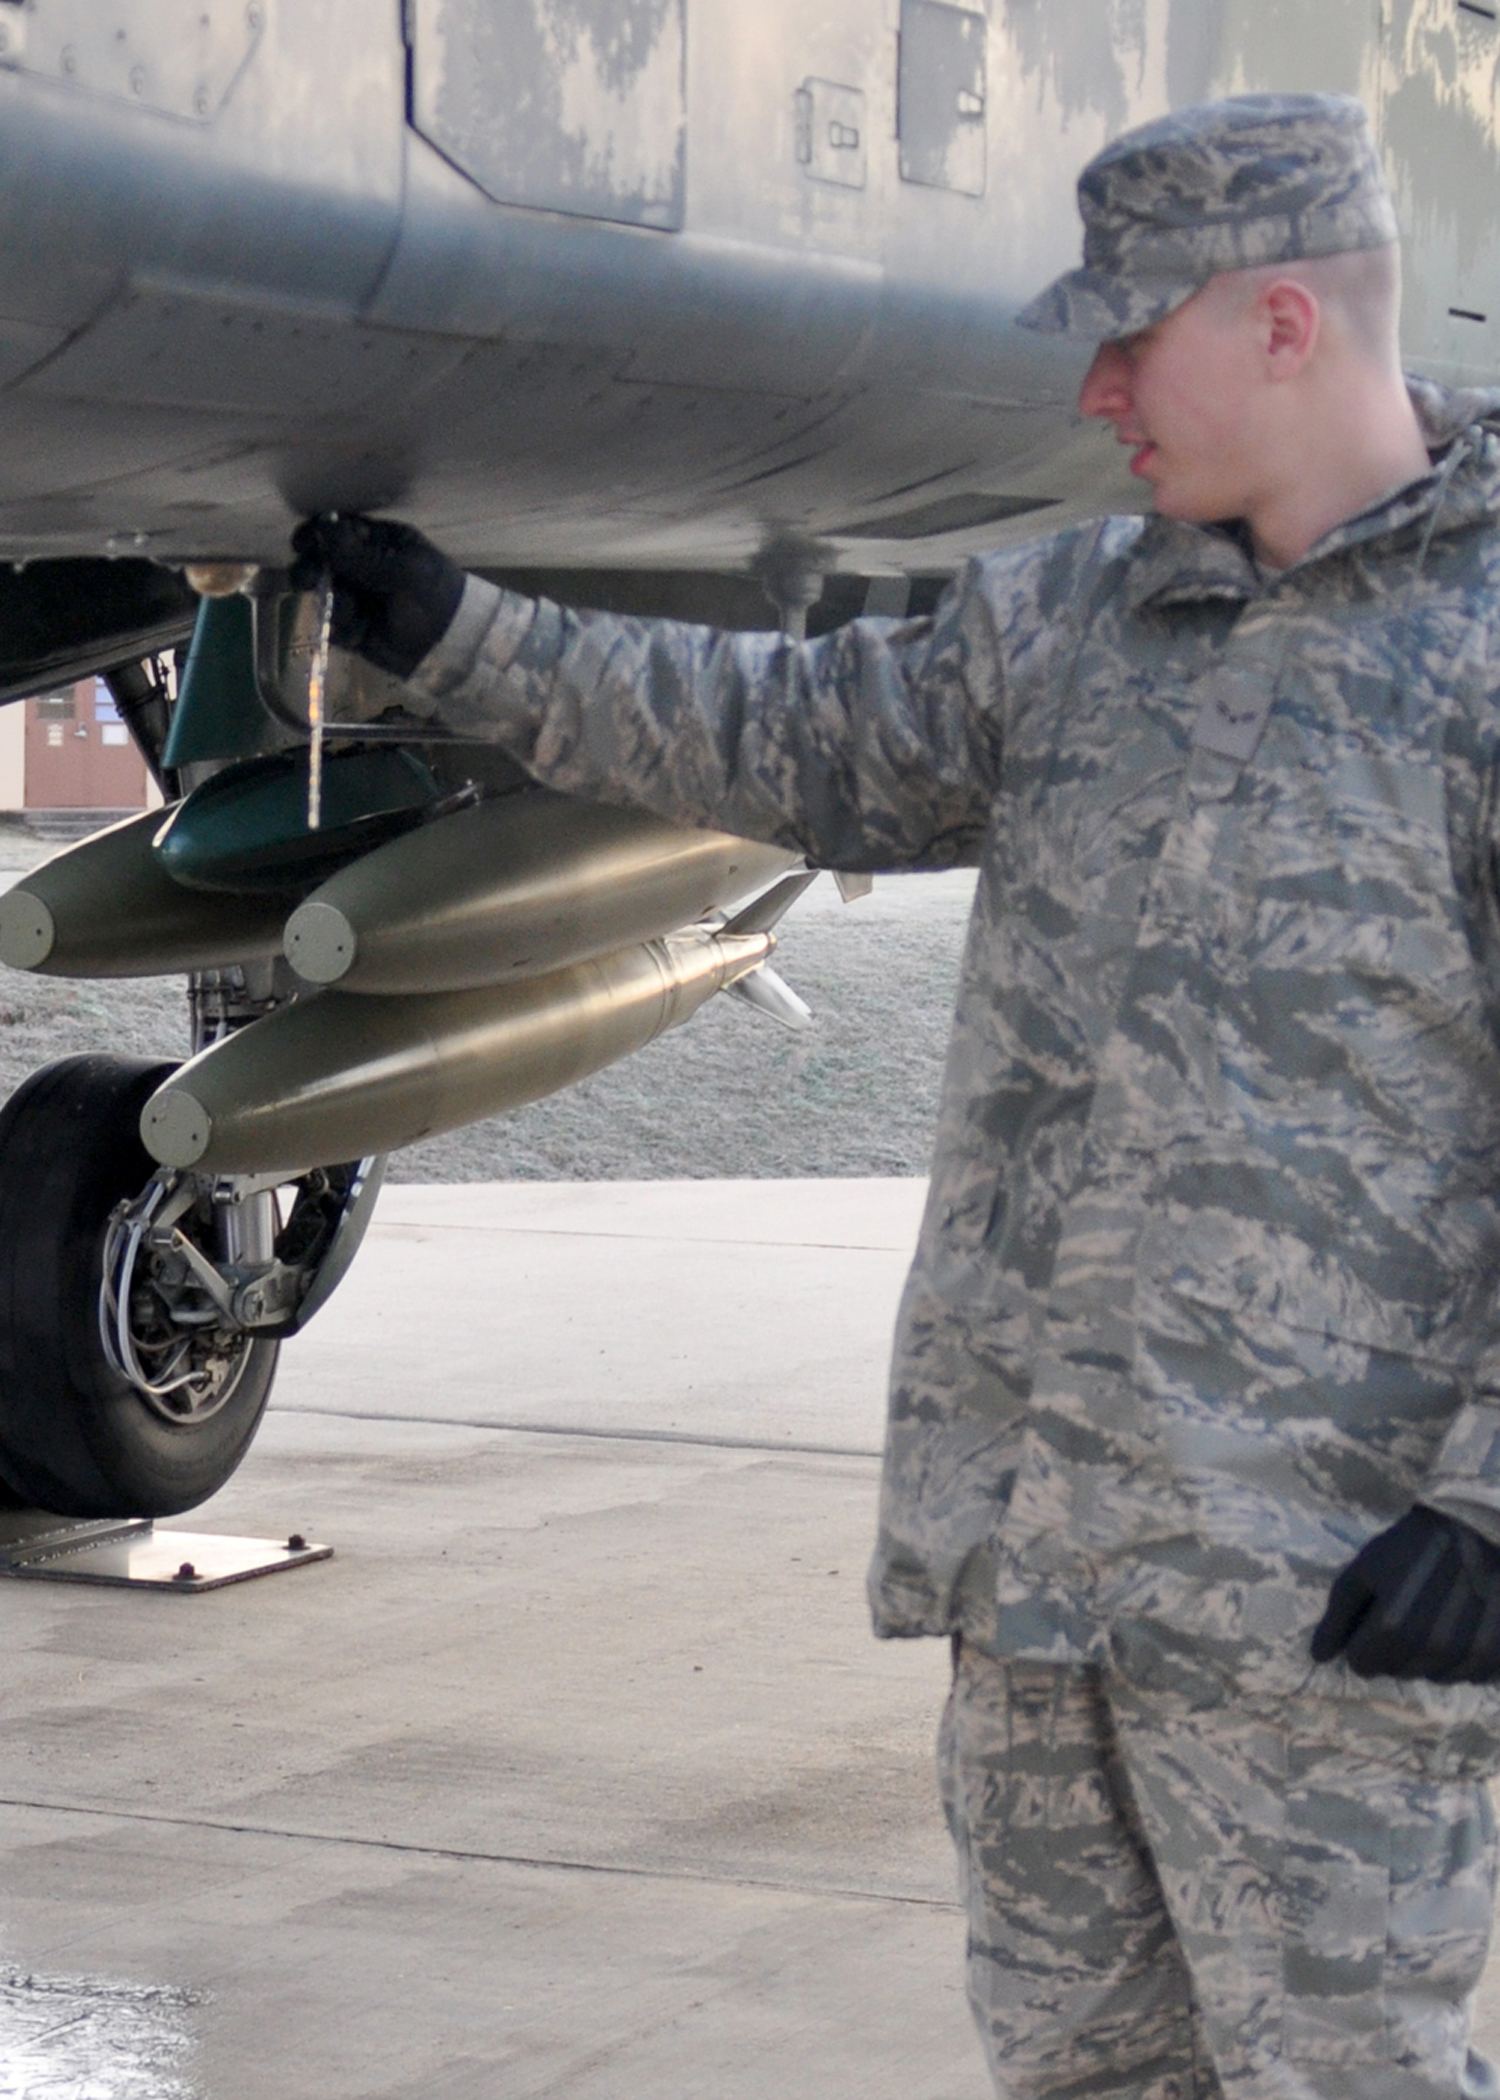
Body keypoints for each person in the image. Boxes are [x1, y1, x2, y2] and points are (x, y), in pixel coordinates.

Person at [293, 93, 1500, 2100]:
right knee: (1076, 2069)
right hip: (1038, 1581)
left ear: (1286, 322)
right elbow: (796, 742)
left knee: (1349, 2075)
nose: (1097, 383)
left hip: (1323, 1592)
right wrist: (468, 637)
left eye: (1135, 332)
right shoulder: (1073, 621)